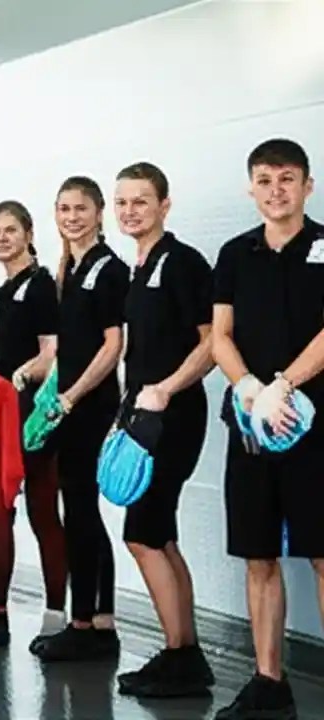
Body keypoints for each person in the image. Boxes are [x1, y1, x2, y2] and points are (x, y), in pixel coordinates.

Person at [211, 138, 322, 719]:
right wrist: (251, 389)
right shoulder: (234, 253)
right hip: (253, 424)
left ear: (307, 185)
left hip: (315, 424)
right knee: (258, 553)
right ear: (249, 188)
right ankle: (268, 682)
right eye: (263, 179)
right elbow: (219, 335)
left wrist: (287, 383)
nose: (275, 190)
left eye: (286, 179)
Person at [108, 162, 216, 697]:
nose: (130, 211)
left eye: (141, 201)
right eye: (122, 202)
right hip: (143, 415)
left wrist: (166, 389)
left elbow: (212, 342)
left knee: (141, 535)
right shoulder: (140, 265)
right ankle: (184, 652)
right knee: (161, 536)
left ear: (164, 206)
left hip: (173, 416)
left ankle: (182, 657)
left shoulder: (183, 263)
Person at [0, 200, 68, 649]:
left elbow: (51, 353)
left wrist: (22, 377)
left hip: (33, 413)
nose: (2, 238)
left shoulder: (40, 286)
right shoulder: (8, 291)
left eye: (10, 230)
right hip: (0, 411)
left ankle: (56, 617)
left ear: (28, 234)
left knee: (43, 511)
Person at [31, 176, 128, 662]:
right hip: (67, 404)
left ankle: (87, 624)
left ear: (98, 213)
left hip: (90, 405)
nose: (72, 217)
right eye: (64, 208)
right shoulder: (69, 268)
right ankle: (95, 622)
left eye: (81, 209)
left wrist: (72, 396)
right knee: (80, 513)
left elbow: (113, 345)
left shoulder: (108, 269)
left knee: (83, 513)